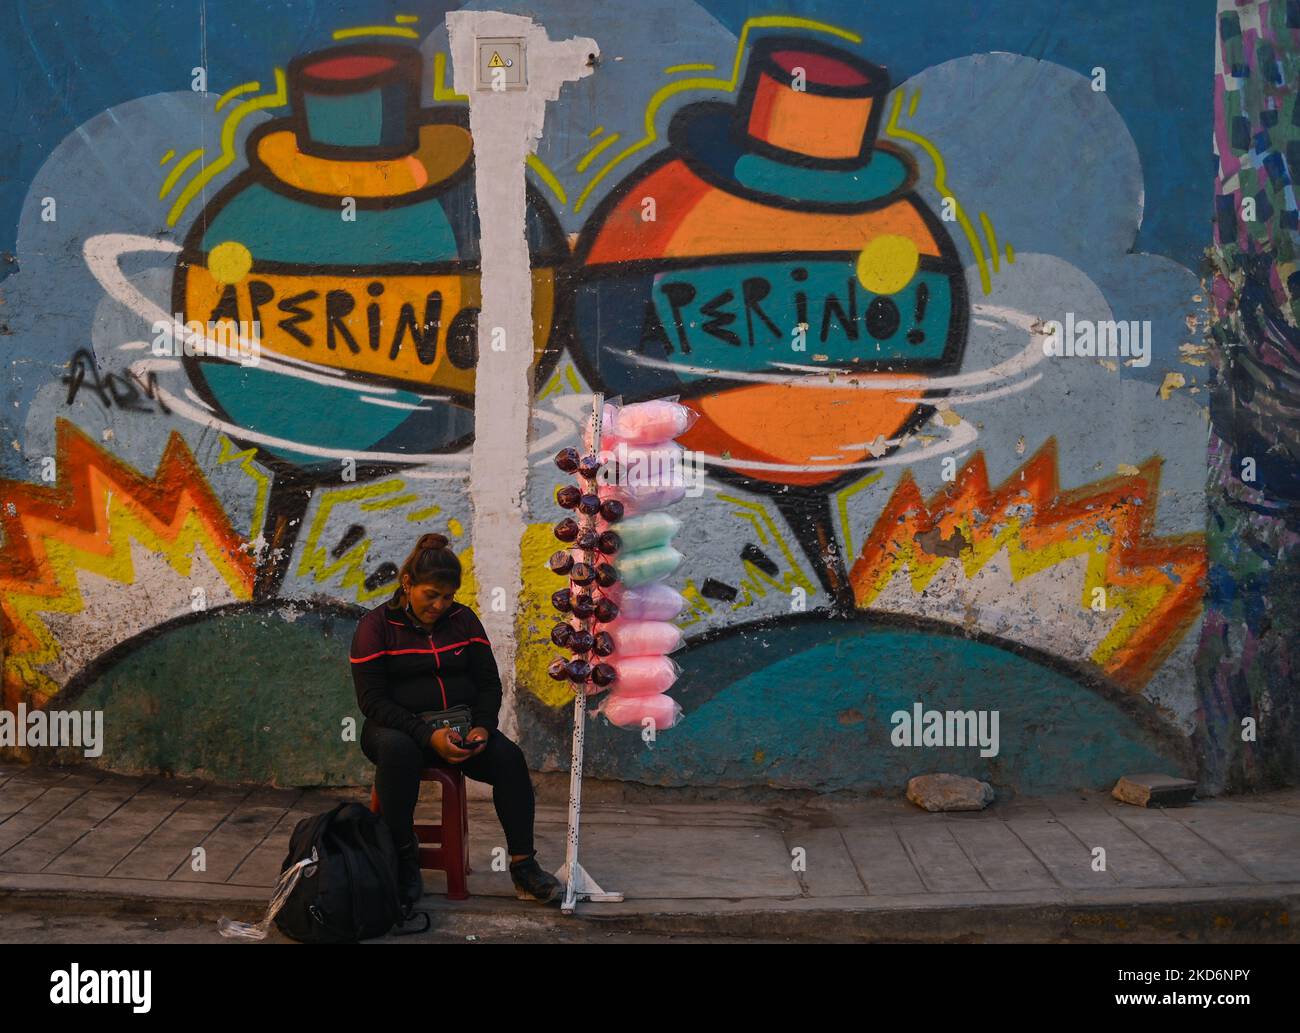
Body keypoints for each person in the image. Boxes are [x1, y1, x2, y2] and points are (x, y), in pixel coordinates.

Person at [350, 532, 562, 911]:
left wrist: (482, 725)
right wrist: (427, 736)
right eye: (431, 594)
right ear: (408, 583)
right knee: (398, 751)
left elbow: (487, 682)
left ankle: (523, 868)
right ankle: (402, 861)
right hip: (395, 730)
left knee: (509, 758)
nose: (439, 605)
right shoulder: (375, 626)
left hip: (461, 729)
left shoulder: (463, 620)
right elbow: (372, 701)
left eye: (447, 597)